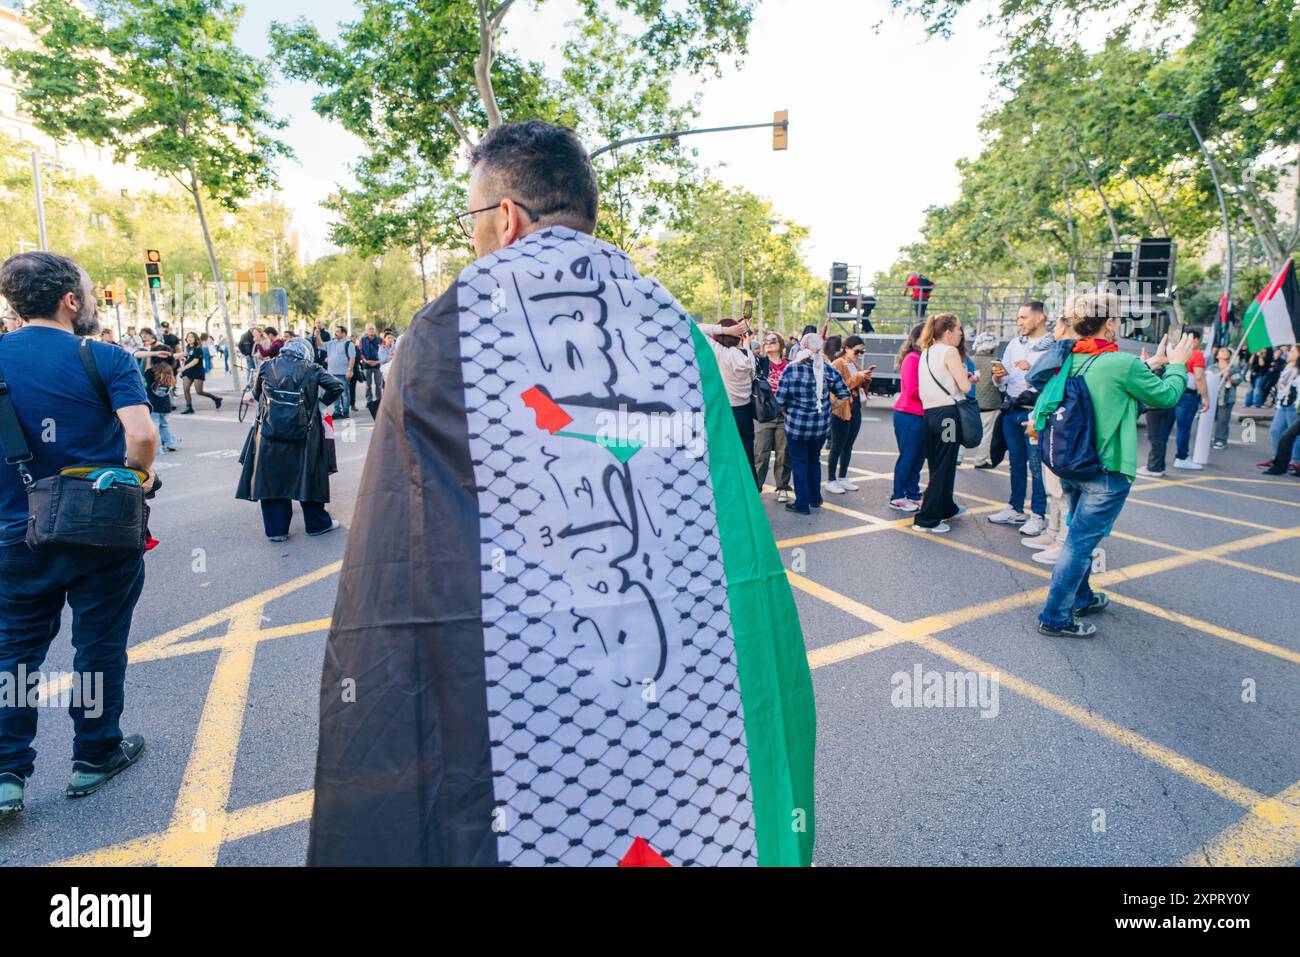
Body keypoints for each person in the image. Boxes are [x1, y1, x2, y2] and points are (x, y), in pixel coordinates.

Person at [308, 120, 815, 867]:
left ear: (505, 216)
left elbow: (404, 547)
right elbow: (727, 526)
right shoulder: (674, 323)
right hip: (671, 670)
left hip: (522, 697)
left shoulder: (451, 326)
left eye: (474, 221)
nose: (476, 239)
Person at [0, 252, 157, 815]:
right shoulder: (106, 358)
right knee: (98, 644)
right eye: (88, 292)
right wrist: (137, 478)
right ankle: (94, 756)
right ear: (70, 300)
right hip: (98, 530)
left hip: (15, 530)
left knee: (14, 651)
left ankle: (7, 773)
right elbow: (140, 437)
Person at [1029, 293, 1195, 638]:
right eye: (1118, 320)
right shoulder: (1121, 363)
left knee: (1079, 534)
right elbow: (1165, 397)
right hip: (1106, 470)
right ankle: (1055, 617)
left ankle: (1082, 596)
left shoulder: (1067, 358)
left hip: (1071, 462)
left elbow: (1111, 394)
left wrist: (1152, 366)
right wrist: (1178, 365)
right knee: (1079, 543)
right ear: (1108, 323)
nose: (1119, 326)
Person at [236, 337, 344, 541]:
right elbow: (337, 386)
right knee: (308, 477)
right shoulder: (313, 368)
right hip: (305, 434)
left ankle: (276, 530)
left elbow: (258, 395)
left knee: (272, 480)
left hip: (269, 433)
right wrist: (320, 403)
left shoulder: (267, 366)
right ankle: (317, 524)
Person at [988, 301, 1053, 536]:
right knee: (1016, 465)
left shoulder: (1053, 346)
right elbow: (1002, 380)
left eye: (1024, 317)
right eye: (1018, 318)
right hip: (1011, 410)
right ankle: (1015, 509)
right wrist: (998, 376)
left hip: (1035, 413)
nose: (1019, 322)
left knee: (1037, 467)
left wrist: (1031, 370)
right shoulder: (1014, 344)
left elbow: (1055, 383)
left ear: (1040, 318)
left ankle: (1038, 515)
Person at [912, 314, 974, 534]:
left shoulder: (926, 352)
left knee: (937, 464)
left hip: (929, 415)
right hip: (948, 415)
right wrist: (971, 379)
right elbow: (965, 388)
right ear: (947, 332)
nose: (960, 334)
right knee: (944, 466)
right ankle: (927, 518)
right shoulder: (950, 352)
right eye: (958, 329)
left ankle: (946, 507)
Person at [777, 333, 850, 514]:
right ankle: (815, 498)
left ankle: (802, 503)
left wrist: (786, 411)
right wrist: (829, 407)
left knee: (799, 463)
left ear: (802, 347)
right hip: (820, 427)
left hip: (797, 426)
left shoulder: (791, 369)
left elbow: (779, 399)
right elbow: (844, 393)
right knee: (814, 461)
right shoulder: (827, 369)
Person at [697, 317, 758, 488]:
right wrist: (746, 342)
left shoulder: (719, 353)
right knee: (747, 453)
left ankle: (730, 490)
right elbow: (748, 363)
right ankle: (752, 489)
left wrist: (725, 330)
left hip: (724, 411)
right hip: (744, 412)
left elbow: (698, 328)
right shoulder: (749, 357)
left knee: (724, 453)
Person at [1138, 327, 1208, 476]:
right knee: (1179, 429)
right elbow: (1199, 378)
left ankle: (1158, 464)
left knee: (1160, 434)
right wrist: (1205, 397)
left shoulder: (1174, 354)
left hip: (1170, 395)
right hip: (1183, 395)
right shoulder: (1194, 355)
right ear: (1194, 340)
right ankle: (1179, 458)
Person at [825, 335, 873, 493]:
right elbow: (838, 387)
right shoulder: (837, 364)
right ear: (846, 348)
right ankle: (831, 480)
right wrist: (858, 377)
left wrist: (865, 380)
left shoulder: (854, 364)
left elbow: (858, 386)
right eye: (857, 351)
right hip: (841, 409)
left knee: (848, 445)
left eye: (862, 352)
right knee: (837, 445)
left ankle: (842, 477)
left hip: (855, 407)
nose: (859, 355)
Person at [890, 322, 926, 512]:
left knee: (918, 458)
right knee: (908, 457)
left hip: (921, 415)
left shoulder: (922, 357)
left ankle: (912, 493)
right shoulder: (912, 358)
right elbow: (913, 391)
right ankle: (898, 496)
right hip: (908, 414)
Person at [754, 332, 793, 502]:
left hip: (785, 415)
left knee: (783, 453)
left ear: (781, 345)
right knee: (760, 454)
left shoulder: (789, 365)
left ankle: (782, 486)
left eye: (772, 340)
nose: (768, 343)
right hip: (765, 414)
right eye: (766, 341)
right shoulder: (760, 363)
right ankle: (756, 487)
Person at [1259, 346, 1299, 471]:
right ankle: (1278, 458)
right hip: (1283, 403)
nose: (1288, 354)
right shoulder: (1288, 367)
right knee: (1275, 430)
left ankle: (1295, 460)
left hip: (1294, 405)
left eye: (1292, 352)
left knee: (1294, 434)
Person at [969, 331, 1003, 467]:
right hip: (990, 405)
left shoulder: (970, 360)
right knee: (986, 435)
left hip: (971, 403)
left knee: (964, 430)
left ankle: (958, 457)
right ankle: (980, 460)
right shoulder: (996, 362)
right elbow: (1001, 384)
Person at [178, 331, 222, 414]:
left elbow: (195, 361)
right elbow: (186, 359)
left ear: (195, 338)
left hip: (197, 371)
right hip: (188, 372)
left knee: (199, 391)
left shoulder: (198, 349)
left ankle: (216, 398)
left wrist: (183, 368)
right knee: (186, 388)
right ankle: (189, 407)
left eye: (191, 337)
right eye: (188, 337)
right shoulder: (187, 347)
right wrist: (182, 362)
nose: (189, 339)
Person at [143, 351, 179, 452]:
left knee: (154, 426)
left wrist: (149, 358)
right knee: (164, 424)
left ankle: (157, 447)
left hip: (153, 404)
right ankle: (170, 443)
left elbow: (145, 374)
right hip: (166, 404)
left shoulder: (151, 372)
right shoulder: (169, 372)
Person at [1211, 346, 1245, 450]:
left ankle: (1220, 440)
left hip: (1226, 397)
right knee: (1209, 418)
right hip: (1212, 396)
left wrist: (1228, 376)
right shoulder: (1213, 367)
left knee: (1223, 419)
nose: (1223, 352)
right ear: (1217, 356)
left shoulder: (1234, 368)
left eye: (1226, 351)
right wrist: (1221, 373)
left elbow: (1238, 381)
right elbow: (1209, 377)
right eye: (1221, 351)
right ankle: (1207, 438)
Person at [320, 323, 357, 418]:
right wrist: (317, 335)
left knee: (345, 393)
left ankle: (345, 412)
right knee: (335, 393)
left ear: (344, 333)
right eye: (335, 331)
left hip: (343, 373)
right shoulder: (331, 343)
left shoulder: (349, 344)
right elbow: (319, 345)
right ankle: (337, 412)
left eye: (337, 331)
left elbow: (352, 358)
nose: (335, 333)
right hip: (332, 373)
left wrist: (350, 370)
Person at [358, 323, 384, 403]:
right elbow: (360, 352)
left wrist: (378, 361)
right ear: (367, 331)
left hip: (378, 364)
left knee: (378, 385)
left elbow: (383, 352)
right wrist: (365, 361)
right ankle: (369, 401)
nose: (371, 330)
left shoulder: (380, 340)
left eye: (373, 329)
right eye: (370, 329)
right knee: (368, 385)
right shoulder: (362, 340)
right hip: (367, 364)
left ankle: (379, 400)